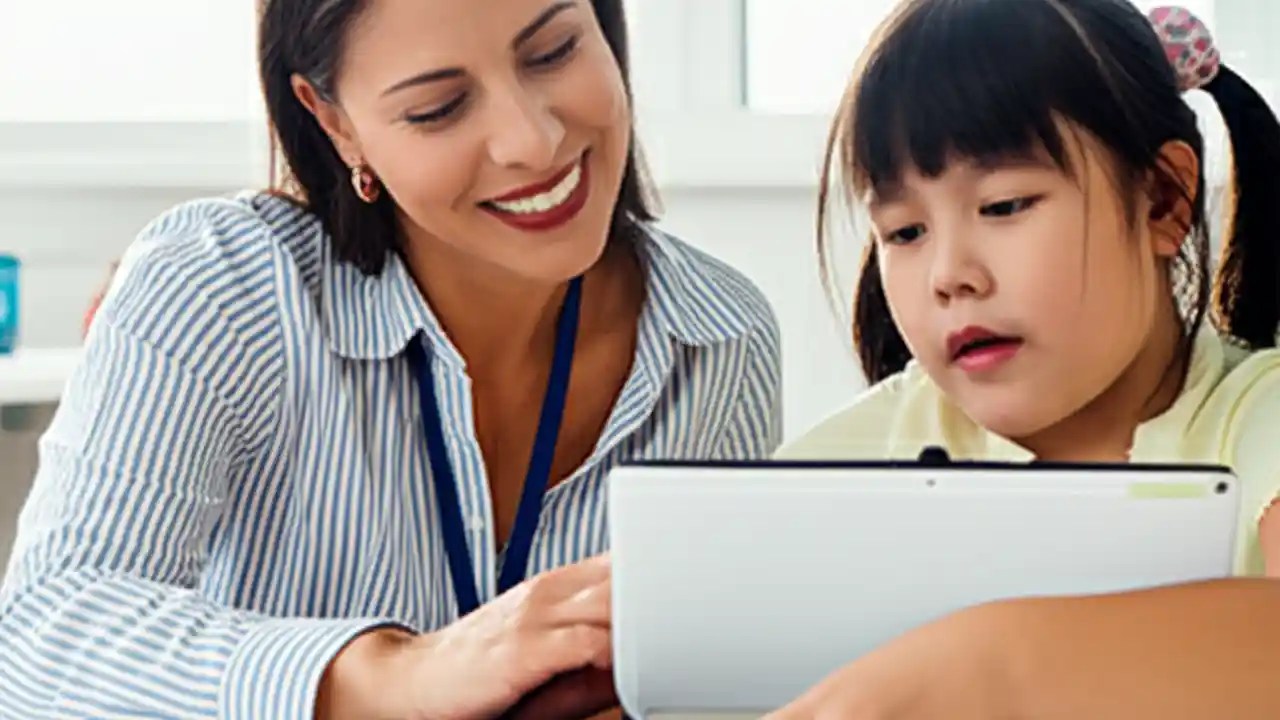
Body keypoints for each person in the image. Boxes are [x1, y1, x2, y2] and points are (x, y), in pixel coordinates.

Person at [0, 0, 781, 718]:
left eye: (553, 51)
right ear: (334, 122)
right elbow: (40, 642)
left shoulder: (717, 339)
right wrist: (396, 676)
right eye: (438, 109)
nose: (532, 140)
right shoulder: (222, 286)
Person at [769, 0, 1280, 716]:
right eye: (905, 231)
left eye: (1004, 206)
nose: (950, 273)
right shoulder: (865, 453)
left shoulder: (1258, 417)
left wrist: (991, 659)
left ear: (1164, 199)